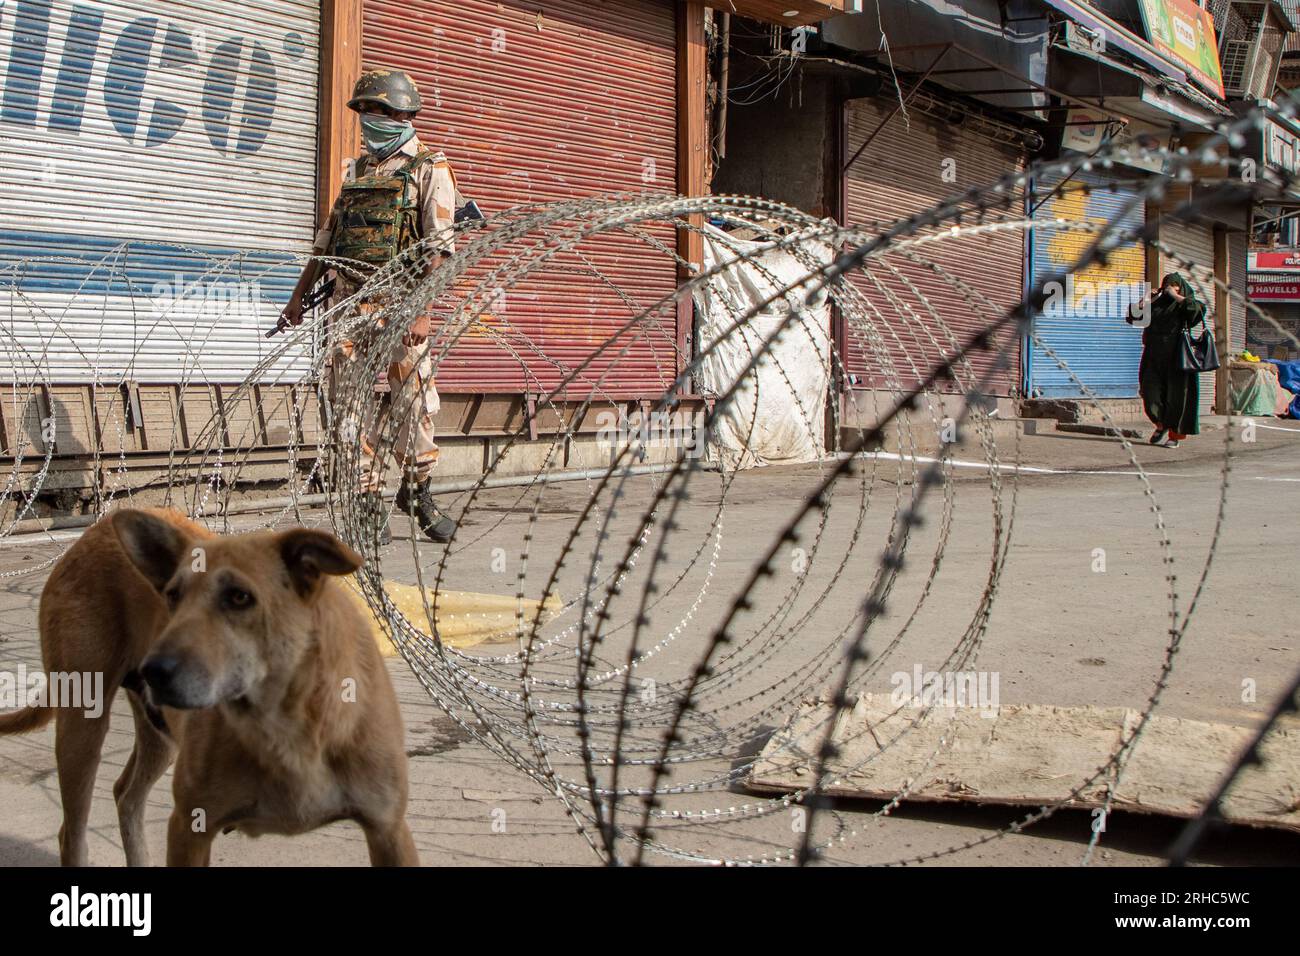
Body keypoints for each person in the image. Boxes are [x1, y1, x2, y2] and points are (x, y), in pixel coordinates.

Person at [280, 69, 458, 544]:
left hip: (401, 307)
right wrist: (299, 296)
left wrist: (422, 310)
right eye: (363, 113)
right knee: (348, 409)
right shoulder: (357, 171)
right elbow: (329, 240)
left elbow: (439, 248)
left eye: (374, 112)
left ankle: (418, 491)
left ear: (400, 114)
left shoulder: (429, 168)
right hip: (349, 306)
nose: (366, 122)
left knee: (413, 403)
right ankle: (366, 499)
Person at [1129, 272, 1206, 449]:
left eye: (1174, 285)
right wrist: (1147, 298)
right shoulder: (1157, 304)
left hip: (1178, 360)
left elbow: (1197, 312)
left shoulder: (1186, 304)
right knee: (1150, 394)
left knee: (1178, 398)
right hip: (1153, 357)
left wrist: (1177, 296)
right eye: (1167, 285)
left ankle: (1174, 435)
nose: (1169, 288)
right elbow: (1134, 317)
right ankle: (1161, 425)